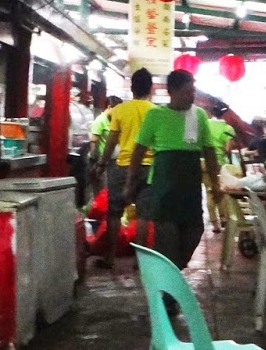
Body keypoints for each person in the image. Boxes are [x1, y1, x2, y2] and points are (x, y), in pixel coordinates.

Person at [125, 69, 219, 269]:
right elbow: (138, 152)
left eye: (193, 91)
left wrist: (216, 183)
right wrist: (130, 183)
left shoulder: (198, 115)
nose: (192, 96)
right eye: (187, 92)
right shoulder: (155, 115)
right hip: (164, 188)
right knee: (167, 240)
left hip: (190, 187)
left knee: (195, 231)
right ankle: (167, 290)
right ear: (171, 92)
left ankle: (176, 269)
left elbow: (209, 151)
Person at [93, 71, 156, 268]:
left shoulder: (120, 110)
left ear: (132, 87)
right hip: (148, 166)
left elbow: (111, 140)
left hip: (123, 167)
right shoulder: (155, 112)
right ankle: (140, 261)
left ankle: (110, 258)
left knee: (114, 212)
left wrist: (102, 163)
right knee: (144, 214)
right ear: (151, 88)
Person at [202, 103, 238, 233]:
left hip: (203, 162)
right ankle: (223, 219)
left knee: (209, 191)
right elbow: (228, 149)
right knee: (222, 191)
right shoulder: (228, 128)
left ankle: (214, 223)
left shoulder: (205, 124)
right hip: (219, 163)